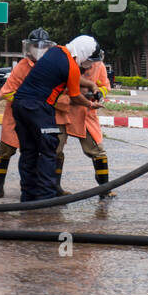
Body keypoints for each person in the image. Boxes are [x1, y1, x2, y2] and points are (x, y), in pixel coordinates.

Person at [11, 34, 98, 202]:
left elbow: (70, 76)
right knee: (48, 150)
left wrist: (90, 84)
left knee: (29, 151)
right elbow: (74, 96)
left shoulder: (55, 52)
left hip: (20, 105)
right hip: (38, 108)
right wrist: (89, 104)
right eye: (89, 60)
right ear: (83, 52)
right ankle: (46, 196)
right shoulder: (71, 66)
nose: (88, 64)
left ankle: (28, 196)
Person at [0, 28, 54, 199]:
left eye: (43, 47)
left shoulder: (52, 67)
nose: (39, 50)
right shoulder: (22, 67)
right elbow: (7, 91)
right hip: (17, 116)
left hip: (40, 117)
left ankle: (46, 187)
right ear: (28, 48)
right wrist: (28, 99)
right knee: (6, 150)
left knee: (40, 153)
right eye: (35, 46)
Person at [54, 40, 114, 197]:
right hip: (63, 110)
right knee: (55, 150)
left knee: (98, 151)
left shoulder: (98, 66)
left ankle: (104, 187)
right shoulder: (67, 61)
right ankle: (54, 188)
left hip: (85, 112)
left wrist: (98, 94)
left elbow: (105, 86)